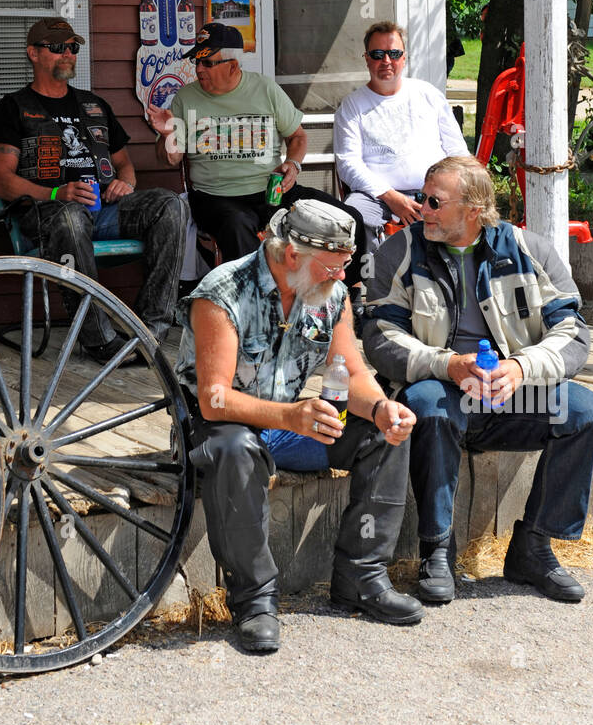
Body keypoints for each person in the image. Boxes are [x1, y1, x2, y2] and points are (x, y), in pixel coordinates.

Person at [360, 155, 593, 607]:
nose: (423, 209)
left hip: (514, 393)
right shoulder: (399, 251)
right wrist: (447, 364)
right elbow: (379, 335)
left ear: (474, 209)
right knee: (429, 406)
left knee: (588, 416)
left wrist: (520, 369)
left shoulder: (530, 249)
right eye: (421, 197)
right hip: (444, 387)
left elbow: (572, 331)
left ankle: (533, 547)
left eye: (434, 201)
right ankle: (436, 549)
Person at [175, 197, 422, 654]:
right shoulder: (222, 291)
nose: (341, 277)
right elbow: (213, 400)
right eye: (332, 267)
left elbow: (353, 373)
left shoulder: (329, 293)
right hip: (215, 429)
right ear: (291, 255)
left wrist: (383, 407)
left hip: (288, 425)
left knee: (381, 433)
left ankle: (361, 576)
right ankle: (254, 601)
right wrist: (293, 416)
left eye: (345, 265)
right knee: (236, 449)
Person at [0, 17, 186, 365]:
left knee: (170, 205)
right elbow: (0, 180)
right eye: (58, 48)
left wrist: (127, 183)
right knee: (71, 218)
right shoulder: (12, 108)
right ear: (33, 53)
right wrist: (55, 195)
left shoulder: (93, 105)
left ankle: (150, 330)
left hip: (103, 209)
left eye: (73, 48)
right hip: (47, 215)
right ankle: (99, 339)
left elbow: (124, 165)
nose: (68, 54)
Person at [148, 21, 365, 282]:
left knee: (347, 217)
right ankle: (256, 304)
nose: (199, 69)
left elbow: (297, 136)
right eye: (196, 61)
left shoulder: (265, 89)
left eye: (207, 62)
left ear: (233, 65)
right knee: (237, 225)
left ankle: (348, 293)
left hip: (270, 191)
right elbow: (171, 158)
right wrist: (167, 133)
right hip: (216, 197)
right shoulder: (186, 98)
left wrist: (293, 165)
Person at [333, 20, 469, 257]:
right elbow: (347, 164)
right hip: (377, 198)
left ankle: (453, 280)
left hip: (434, 191)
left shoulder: (428, 95)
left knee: (467, 212)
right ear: (366, 58)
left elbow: (457, 151)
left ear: (404, 57)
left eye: (394, 53)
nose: (386, 61)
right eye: (377, 54)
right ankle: (374, 285)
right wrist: (390, 196)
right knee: (354, 214)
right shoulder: (352, 106)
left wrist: (443, 190)